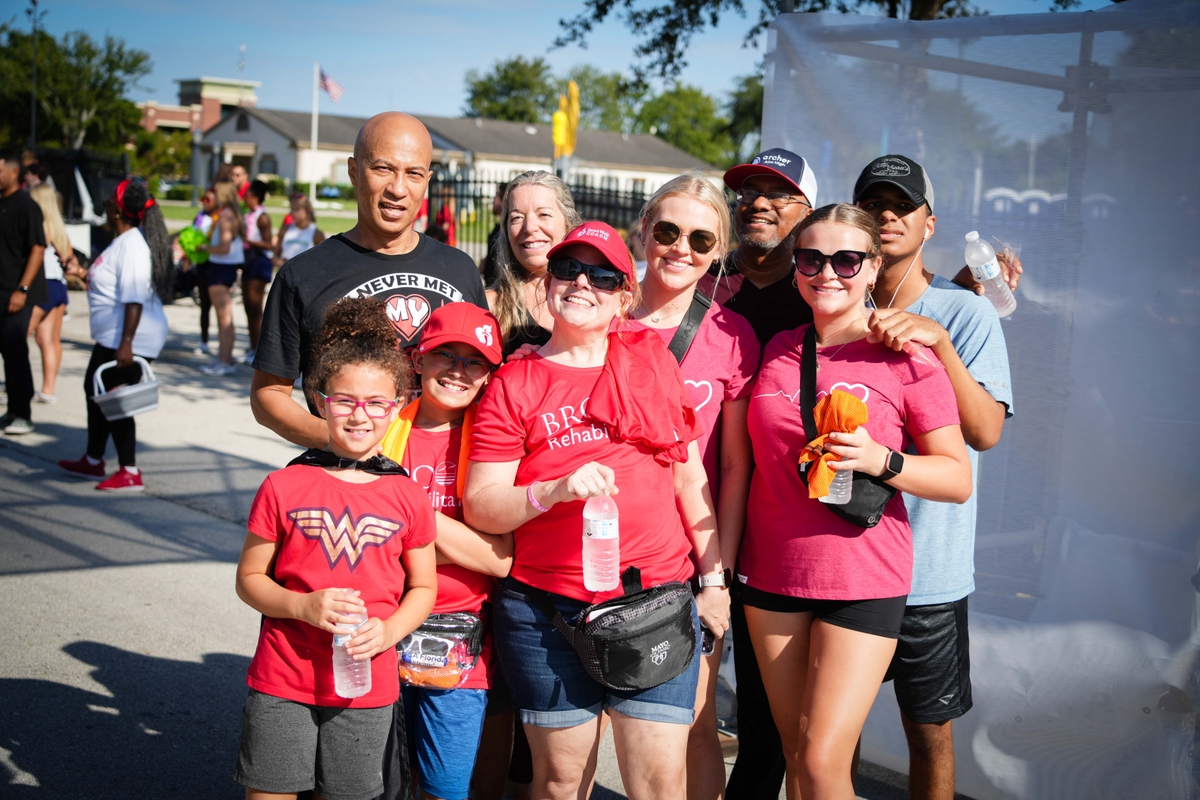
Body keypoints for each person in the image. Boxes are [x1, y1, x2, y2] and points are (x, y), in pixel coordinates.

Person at [463, 221, 730, 800]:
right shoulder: (515, 382)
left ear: (624, 297)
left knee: (659, 784)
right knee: (559, 783)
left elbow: (690, 477)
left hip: (653, 599)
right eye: (568, 269)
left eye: (604, 275)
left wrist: (714, 581)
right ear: (547, 285)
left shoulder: (650, 361)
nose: (583, 283)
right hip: (547, 613)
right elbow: (482, 505)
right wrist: (551, 491)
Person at [740, 203, 972, 800]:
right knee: (797, 756)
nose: (827, 272)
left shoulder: (907, 358)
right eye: (812, 258)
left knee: (820, 762)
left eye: (846, 259)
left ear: (872, 269)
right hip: (771, 574)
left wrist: (881, 461)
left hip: (863, 580)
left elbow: (955, 477)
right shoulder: (778, 350)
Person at [232, 296, 438, 800]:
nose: (359, 415)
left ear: (397, 407)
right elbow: (249, 580)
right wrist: (299, 605)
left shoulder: (408, 494)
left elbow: (424, 587)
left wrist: (389, 629)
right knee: (270, 791)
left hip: (366, 686)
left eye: (376, 404)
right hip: (283, 678)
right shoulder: (284, 486)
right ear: (320, 400)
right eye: (344, 400)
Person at [854, 155, 1014, 800]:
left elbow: (986, 433)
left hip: (929, 571)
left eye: (903, 206)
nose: (888, 215)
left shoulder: (965, 313)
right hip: (848, 563)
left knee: (929, 736)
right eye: (874, 205)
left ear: (929, 224)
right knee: (835, 730)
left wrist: (939, 342)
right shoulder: (836, 303)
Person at [624, 175, 759, 800]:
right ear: (644, 230)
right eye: (668, 231)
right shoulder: (607, 314)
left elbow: (734, 467)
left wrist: (719, 577)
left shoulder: (733, 336)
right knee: (604, 728)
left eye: (701, 238)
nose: (681, 248)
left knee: (693, 722)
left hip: (688, 559)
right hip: (601, 549)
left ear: (718, 250)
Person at [251, 112, 488, 452]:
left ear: (428, 179)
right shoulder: (302, 275)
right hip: (349, 479)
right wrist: (344, 441)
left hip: (447, 477)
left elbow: (486, 374)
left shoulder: (460, 269)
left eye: (414, 174)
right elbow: (267, 395)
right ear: (353, 171)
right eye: (383, 169)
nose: (398, 188)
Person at [379, 302, 513, 800]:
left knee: (445, 785)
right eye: (445, 354)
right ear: (416, 359)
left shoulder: (496, 442)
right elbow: (365, 538)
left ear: (489, 374)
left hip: (460, 642)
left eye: (474, 360)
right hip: (380, 628)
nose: (458, 369)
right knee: (377, 781)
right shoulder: (381, 427)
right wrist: (458, 544)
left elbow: (503, 557)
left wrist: (405, 525)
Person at [58, 180, 172, 492]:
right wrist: (80, 273)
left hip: (132, 336)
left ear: (118, 210)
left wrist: (127, 345)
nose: (105, 204)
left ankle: (130, 471)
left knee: (117, 399)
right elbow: (110, 284)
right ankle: (93, 459)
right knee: (94, 389)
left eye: (109, 200)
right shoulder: (122, 241)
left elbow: (134, 298)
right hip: (116, 334)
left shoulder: (133, 244)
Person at [487, 170, 582, 355]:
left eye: (543, 215)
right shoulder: (490, 308)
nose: (529, 227)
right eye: (517, 218)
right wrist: (507, 372)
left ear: (569, 224)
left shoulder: (595, 300)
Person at [0, 149, 47, 436]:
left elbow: (37, 249)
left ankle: (24, 413)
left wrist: (22, 289)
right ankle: (13, 410)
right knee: (6, 352)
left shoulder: (26, 206)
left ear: (13, 172)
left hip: (19, 294)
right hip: (1, 292)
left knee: (16, 351)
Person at [28, 183, 81, 405]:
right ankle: (48, 390)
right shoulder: (60, 229)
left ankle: (17, 386)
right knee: (49, 340)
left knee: (15, 337)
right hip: (59, 288)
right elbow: (71, 259)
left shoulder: (39, 226)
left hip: (41, 287)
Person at [198, 180, 244, 375]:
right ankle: (223, 358)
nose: (212, 196)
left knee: (224, 318)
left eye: (215, 193)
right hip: (222, 267)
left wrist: (204, 248)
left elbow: (224, 248)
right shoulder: (228, 214)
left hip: (221, 267)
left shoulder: (226, 218)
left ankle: (225, 360)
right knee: (223, 317)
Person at [241, 179, 274, 365]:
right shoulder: (249, 214)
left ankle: (260, 349)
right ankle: (252, 345)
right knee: (248, 306)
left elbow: (269, 243)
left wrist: (247, 240)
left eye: (246, 195)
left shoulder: (262, 217)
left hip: (259, 261)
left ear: (254, 196)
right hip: (248, 260)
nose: (244, 198)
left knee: (255, 307)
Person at [191, 188, 218, 356]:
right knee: (205, 305)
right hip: (202, 264)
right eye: (203, 199)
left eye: (208, 199)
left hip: (217, 264)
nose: (204, 202)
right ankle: (204, 340)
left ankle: (223, 343)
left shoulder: (220, 218)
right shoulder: (199, 218)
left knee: (220, 306)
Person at [274, 193, 325, 268]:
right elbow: (275, 256)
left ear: (308, 210)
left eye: (297, 209)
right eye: (292, 209)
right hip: (285, 276)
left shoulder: (317, 234)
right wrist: (283, 266)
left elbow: (322, 261)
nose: (293, 213)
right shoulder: (285, 230)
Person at [479, 181, 508, 289]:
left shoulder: (505, 230)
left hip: (498, 286)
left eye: (496, 196)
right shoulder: (498, 227)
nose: (493, 201)